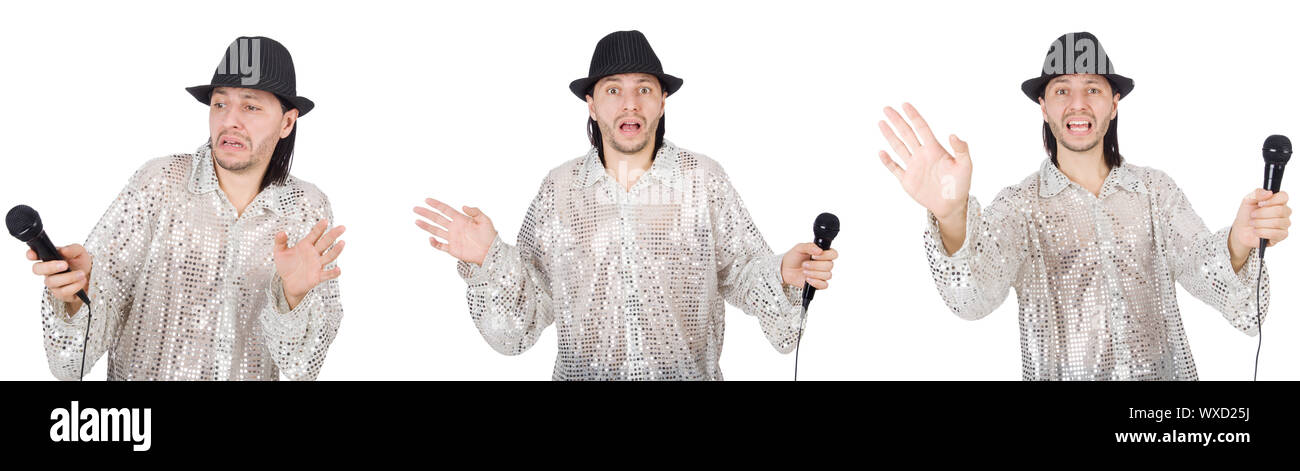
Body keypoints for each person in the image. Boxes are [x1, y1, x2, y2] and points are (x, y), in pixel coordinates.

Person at [414, 30, 838, 380]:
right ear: (593, 105)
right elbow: (524, 317)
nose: (629, 102)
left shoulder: (702, 180)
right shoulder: (559, 190)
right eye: (613, 89)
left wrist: (782, 272)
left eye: (644, 89)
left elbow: (742, 272)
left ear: (662, 101)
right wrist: (490, 260)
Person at [877, 32, 1290, 380]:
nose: (1078, 103)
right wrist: (951, 216)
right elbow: (973, 297)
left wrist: (1239, 240)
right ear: (1043, 106)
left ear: (1114, 104)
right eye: (1062, 90)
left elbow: (1208, 272)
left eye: (1092, 88)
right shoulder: (1020, 207)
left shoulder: (1154, 192)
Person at [27, 36, 346, 380]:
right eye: (220, 105)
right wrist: (79, 298)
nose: (230, 121)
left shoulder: (305, 208)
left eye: (251, 107)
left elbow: (302, 366)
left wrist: (293, 298)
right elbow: (69, 364)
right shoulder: (159, 183)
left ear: (287, 122)